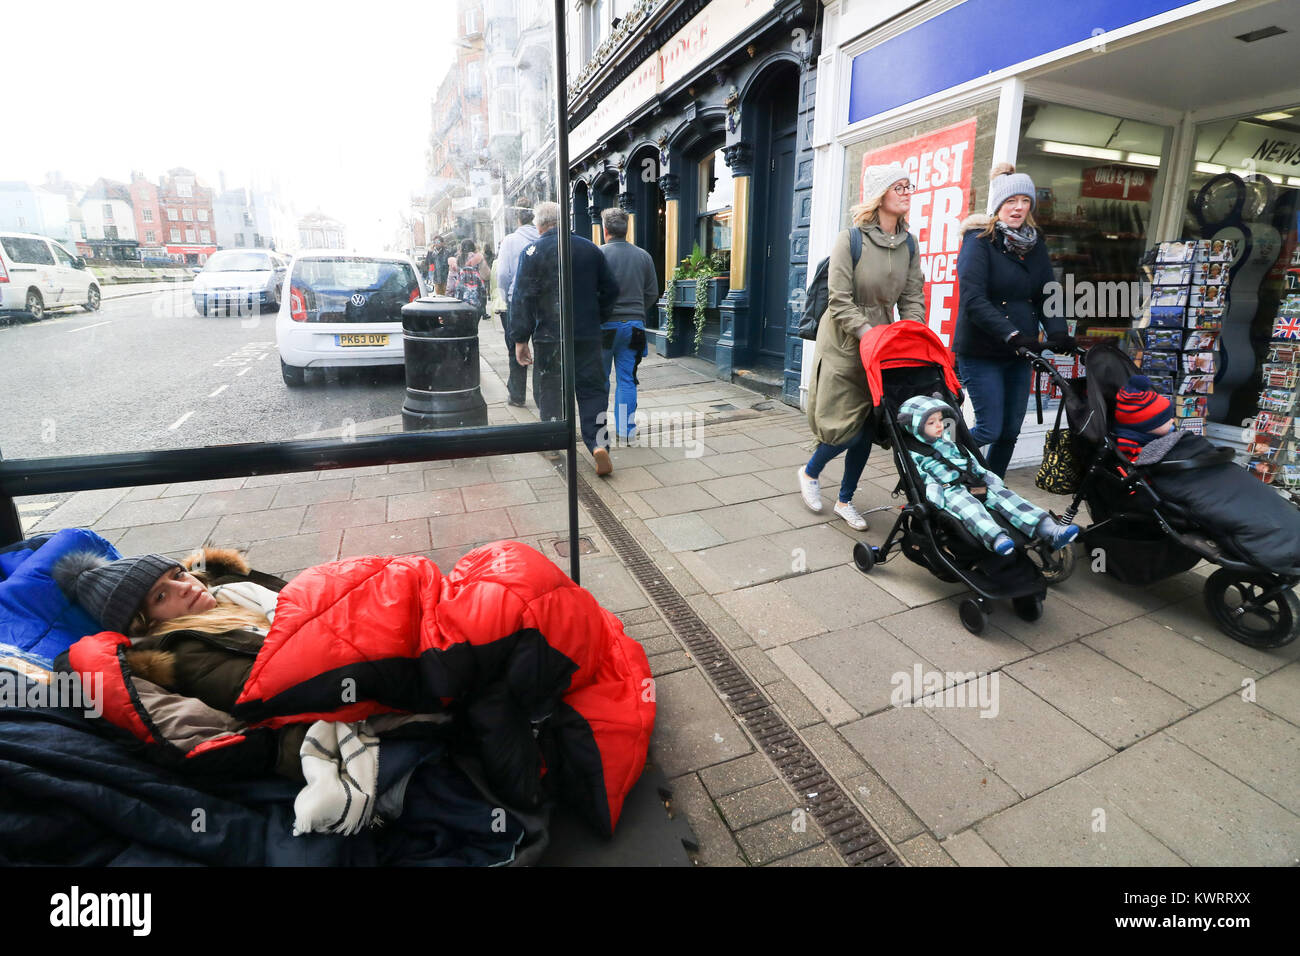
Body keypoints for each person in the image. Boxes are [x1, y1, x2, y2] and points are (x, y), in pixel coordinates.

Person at [799, 162, 925, 531]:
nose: (906, 192)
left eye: (908, 186)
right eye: (898, 187)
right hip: (843, 341)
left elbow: (913, 296)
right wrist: (867, 332)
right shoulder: (849, 239)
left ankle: (845, 499)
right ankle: (810, 472)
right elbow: (838, 300)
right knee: (846, 427)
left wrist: (913, 334)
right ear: (879, 195)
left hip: (882, 344)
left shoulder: (909, 244)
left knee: (869, 428)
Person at [953, 163, 1072, 478]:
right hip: (982, 351)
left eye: (1025, 201)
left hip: (1021, 353)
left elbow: (1047, 293)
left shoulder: (1034, 245)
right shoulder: (978, 242)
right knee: (989, 429)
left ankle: (991, 489)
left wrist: (1059, 331)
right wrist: (1013, 333)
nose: (1018, 207)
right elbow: (973, 300)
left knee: (1010, 432)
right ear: (998, 206)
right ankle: (939, 458)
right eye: (1011, 201)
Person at [509, 200, 619, 475]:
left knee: (550, 388)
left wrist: (520, 339)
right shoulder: (590, 249)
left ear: (540, 225)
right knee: (593, 389)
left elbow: (522, 298)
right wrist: (597, 316)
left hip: (549, 337)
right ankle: (597, 444)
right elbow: (611, 290)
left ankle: (551, 442)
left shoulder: (532, 252)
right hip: (587, 334)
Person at [898, 395, 1079, 555]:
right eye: (931, 423)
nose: (939, 425)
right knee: (972, 510)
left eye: (940, 420)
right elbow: (921, 476)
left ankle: (1050, 530)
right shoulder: (913, 453)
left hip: (973, 481)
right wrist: (934, 492)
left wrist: (985, 475)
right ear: (915, 426)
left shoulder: (949, 442)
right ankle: (996, 538)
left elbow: (969, 459)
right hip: (950, 490)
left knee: (1008, 498)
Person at [598, 207, 658, 443]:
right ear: (626, 229)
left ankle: (598, 431)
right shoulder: (643, 256)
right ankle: (626, 429)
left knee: (600, 379)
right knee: (627, 378)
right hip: (634, 326)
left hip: (605, 327)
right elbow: (652, 292)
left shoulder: (598, 254)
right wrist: (637, 311)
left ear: (605, 230)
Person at [497, 199, 541, 407]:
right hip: (543, 302)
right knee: (542, 348)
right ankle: (542, 396)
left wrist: (504, 298)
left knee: (517, 346)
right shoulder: (543, 237)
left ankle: (517, 395)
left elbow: (503, 274)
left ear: (517, 219)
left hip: (518, 301)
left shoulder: (510, 240)